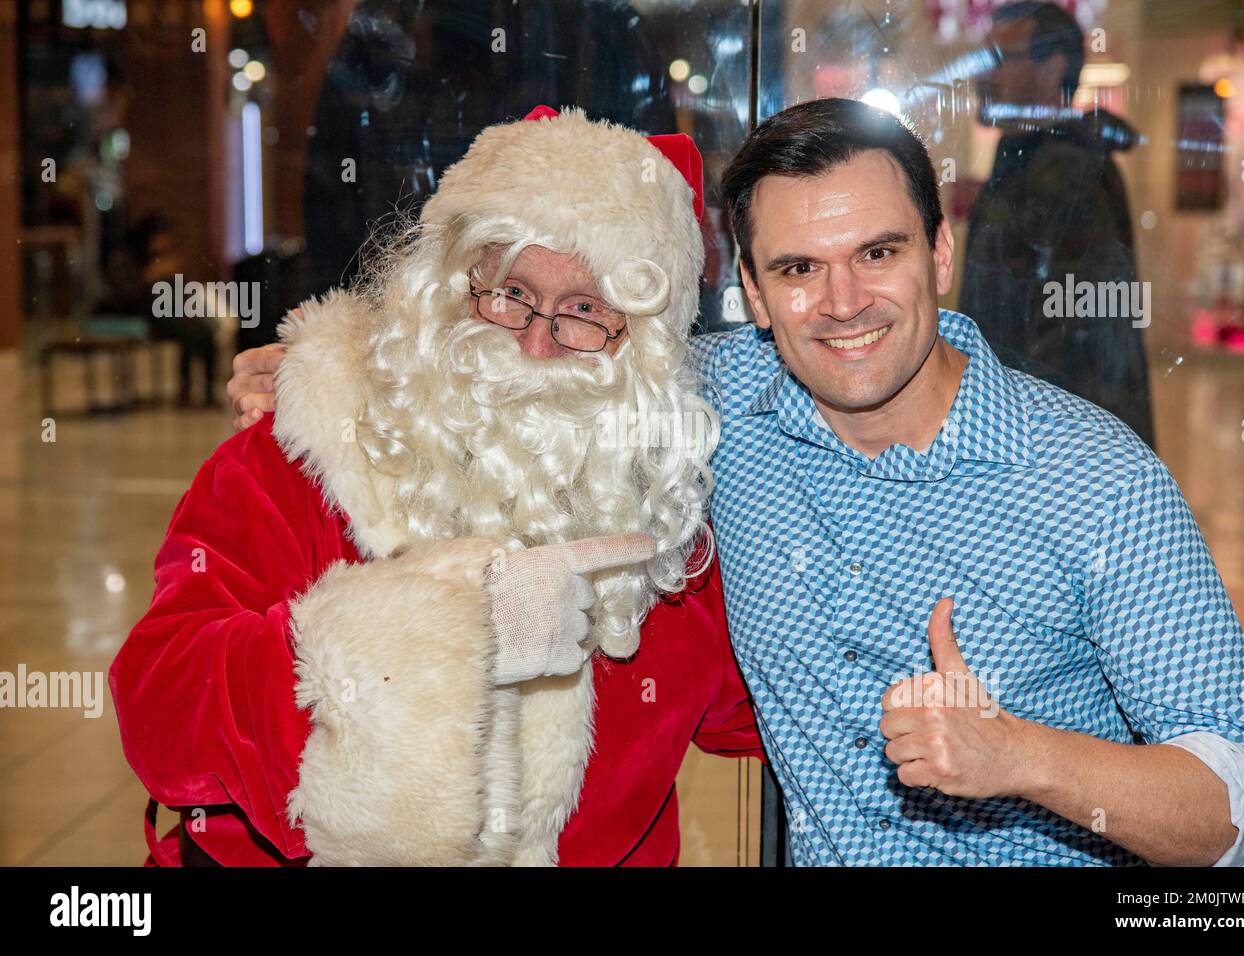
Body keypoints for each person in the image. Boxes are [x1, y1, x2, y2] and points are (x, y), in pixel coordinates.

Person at [232, 99, 1244, 867]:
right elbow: (542, 343)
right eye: (796, 269)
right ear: (749, 290)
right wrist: (338, 363)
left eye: (877, 252)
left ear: (939, 251)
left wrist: (1025, 758)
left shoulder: (1092, 478)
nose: (842, 302)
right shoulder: (717, 402)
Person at [112, 106, 764, 867]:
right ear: (451, 287)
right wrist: (424, 641)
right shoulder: (306, 457)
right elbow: (160, 710)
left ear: (643, 350)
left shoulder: (668, 534)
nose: (534, 343)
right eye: (510, 292)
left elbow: (805, 707)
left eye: (584, 311)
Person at [960, 1, 1154, 447]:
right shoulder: (1029, 167)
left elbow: (1077, 341)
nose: (981, 77)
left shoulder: (1070, 177)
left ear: (1053, 69)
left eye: (997, 61)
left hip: (1059, 459)